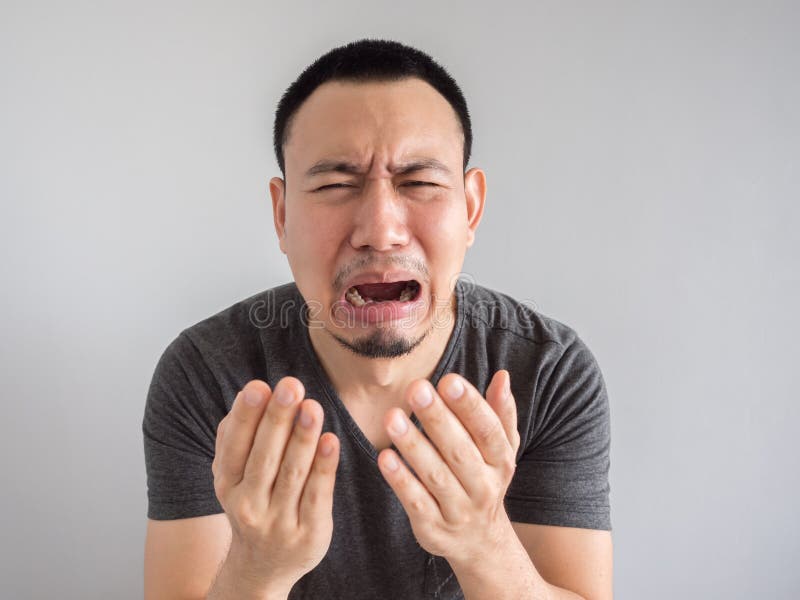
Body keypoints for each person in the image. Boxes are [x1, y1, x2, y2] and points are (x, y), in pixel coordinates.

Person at [143, 39, 613, 600]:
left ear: (470, 209)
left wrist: (483, 543)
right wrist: (258, 569)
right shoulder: (207, 375)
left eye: (419, 182)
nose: (381, 228)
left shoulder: (547, 371)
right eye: (336, 184)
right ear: (282, 213)